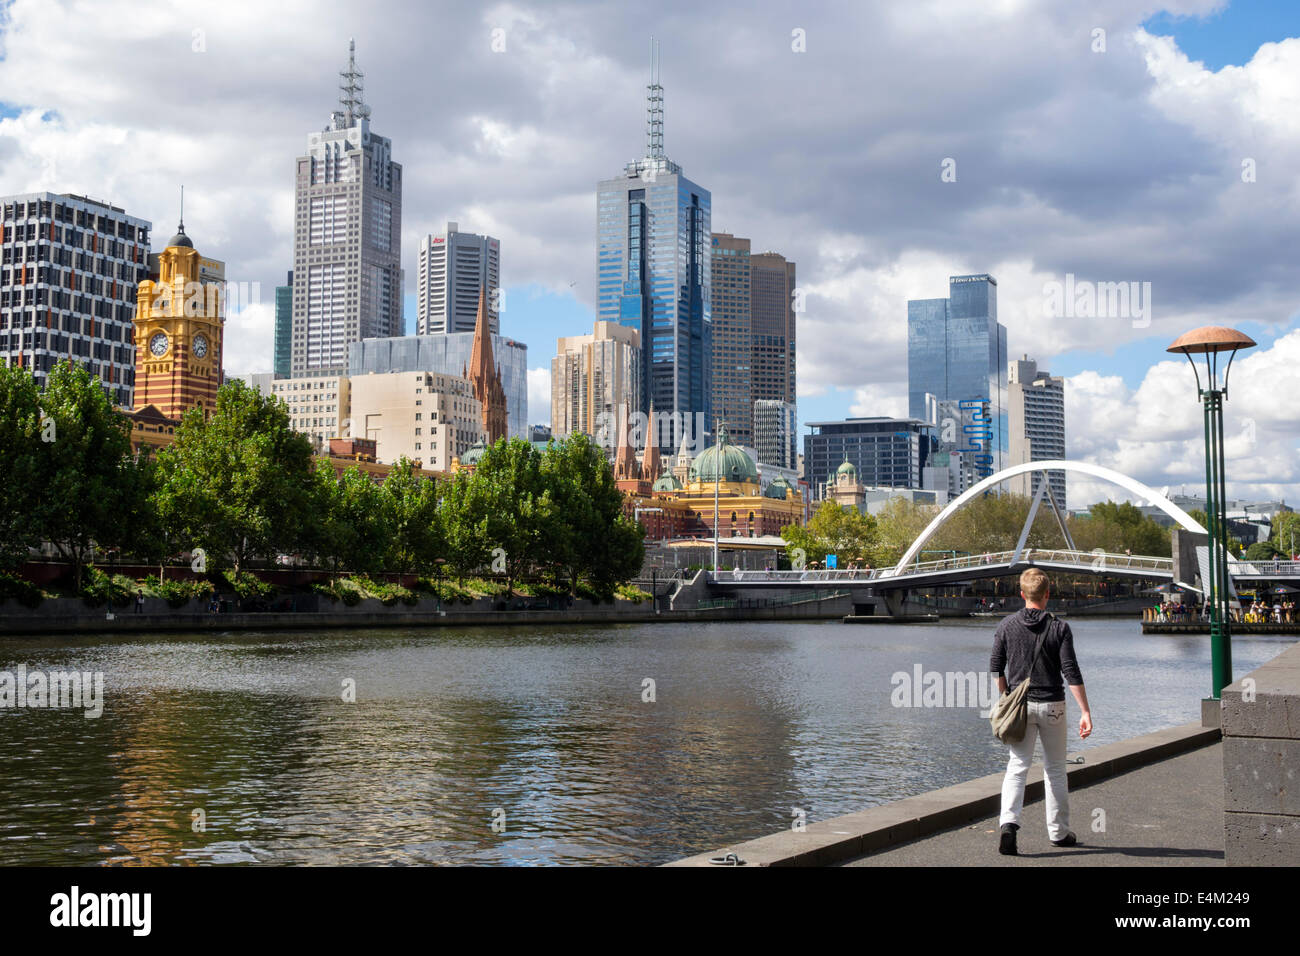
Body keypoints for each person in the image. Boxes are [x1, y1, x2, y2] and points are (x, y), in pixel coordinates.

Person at [990, 567, 1092, 855]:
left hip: (1020, 707)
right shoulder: (1059, 627)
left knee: (1017, 767)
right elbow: (1070, 671)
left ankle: (1008, 825)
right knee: (1056, 769)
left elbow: (996, 666)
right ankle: (1059, 833)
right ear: (1047, 594)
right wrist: (1085, 711)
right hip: (1052, 705)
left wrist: (1005, 696)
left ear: (1022, 594)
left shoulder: (1006, 625)